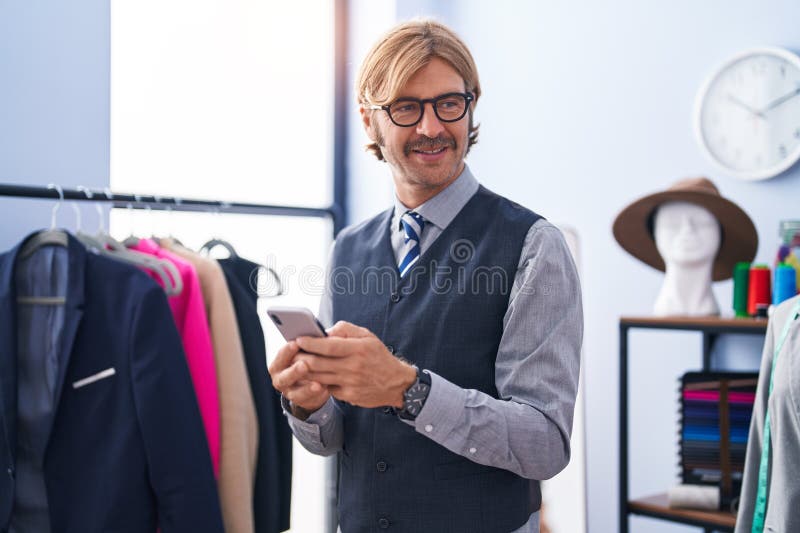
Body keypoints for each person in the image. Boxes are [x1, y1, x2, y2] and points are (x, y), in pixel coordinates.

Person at [268, 19, 583, 533]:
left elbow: (545, 442)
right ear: (371, 122)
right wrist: (309, 405)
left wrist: (408, 389)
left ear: (470, 107)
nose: (433, 127)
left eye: (448, 104)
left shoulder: (534, 246)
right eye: (407, 107)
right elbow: (330, 441)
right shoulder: (349, 248)